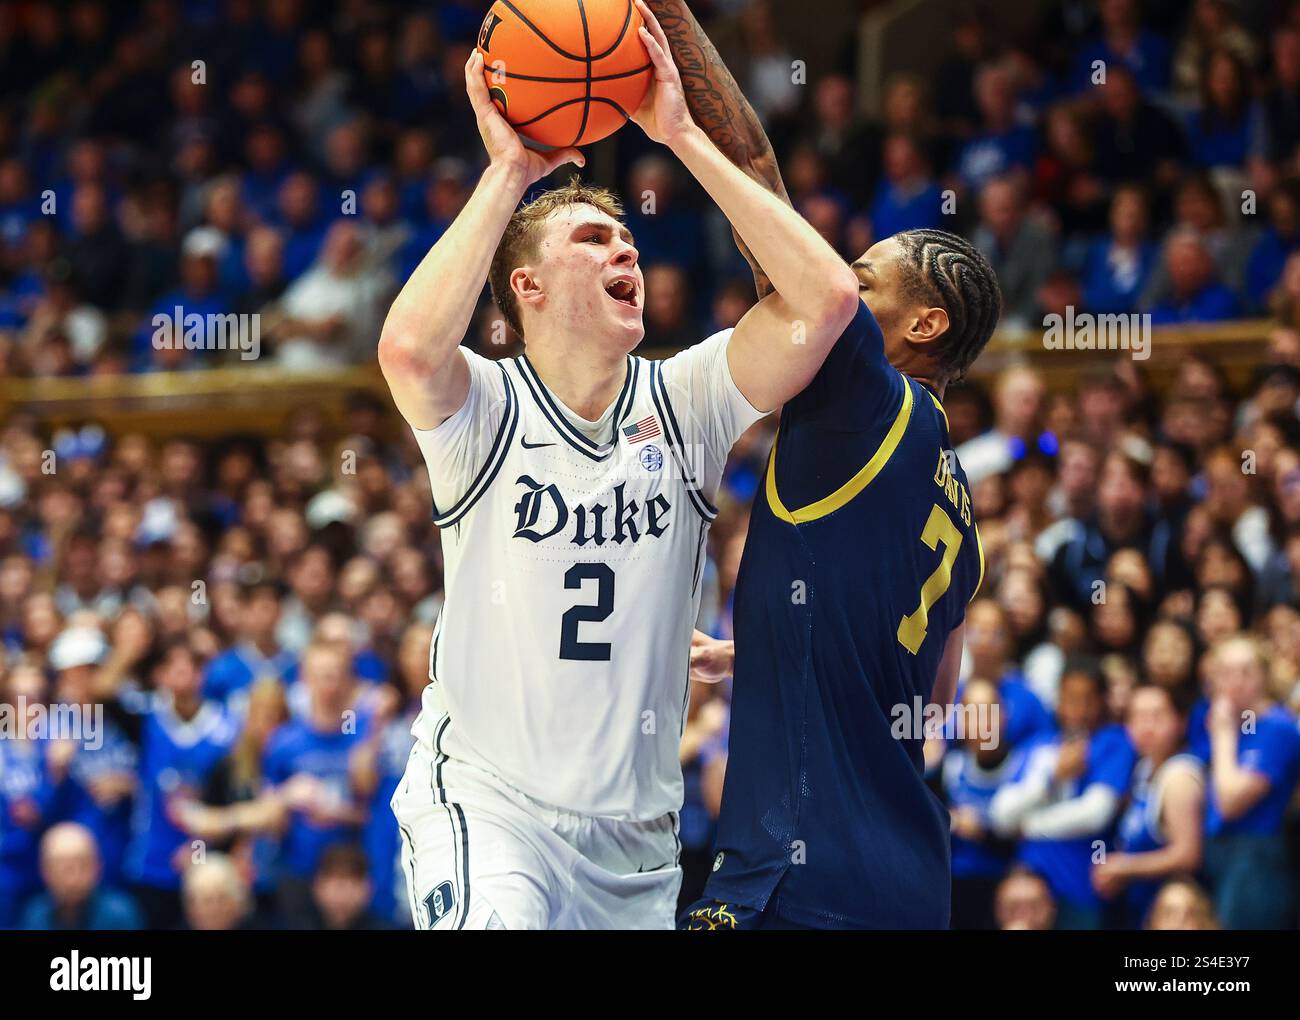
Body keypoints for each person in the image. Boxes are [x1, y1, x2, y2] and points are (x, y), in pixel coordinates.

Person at [379, 1, 860, 931]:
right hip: (489, 804)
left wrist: (680, 135)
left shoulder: (686, 401)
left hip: (637, 838)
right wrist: (510, 171)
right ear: (528, 288)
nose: (624, 248)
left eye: (628, 242)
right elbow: (405, 350)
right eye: (592, 241)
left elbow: (829, 298)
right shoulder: (485, 408)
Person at [666, 6, 1000, 929]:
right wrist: (775, 657)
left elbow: (762, 182)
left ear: (921, 325)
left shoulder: (866, 396)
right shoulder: (960, 513)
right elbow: (927, 710)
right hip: (907, 883)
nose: (838, 289)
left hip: (797, 876)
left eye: (863, 279)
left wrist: (675, 81)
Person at [1092, 683, 1204, 927]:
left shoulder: (1180, 777)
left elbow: (1188, 855)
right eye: (1137, 717)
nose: (1147, 726)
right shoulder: (1143, 769)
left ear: (1180, 721)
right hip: (1139, 910)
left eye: (1157, 716)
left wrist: (1123, 868)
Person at [19, 822, 143, 930]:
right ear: (45, 871)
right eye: (64, 869)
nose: (73, 879)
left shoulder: (120, 914)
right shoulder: (35, 914)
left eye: (82, 865)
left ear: (97, 867)